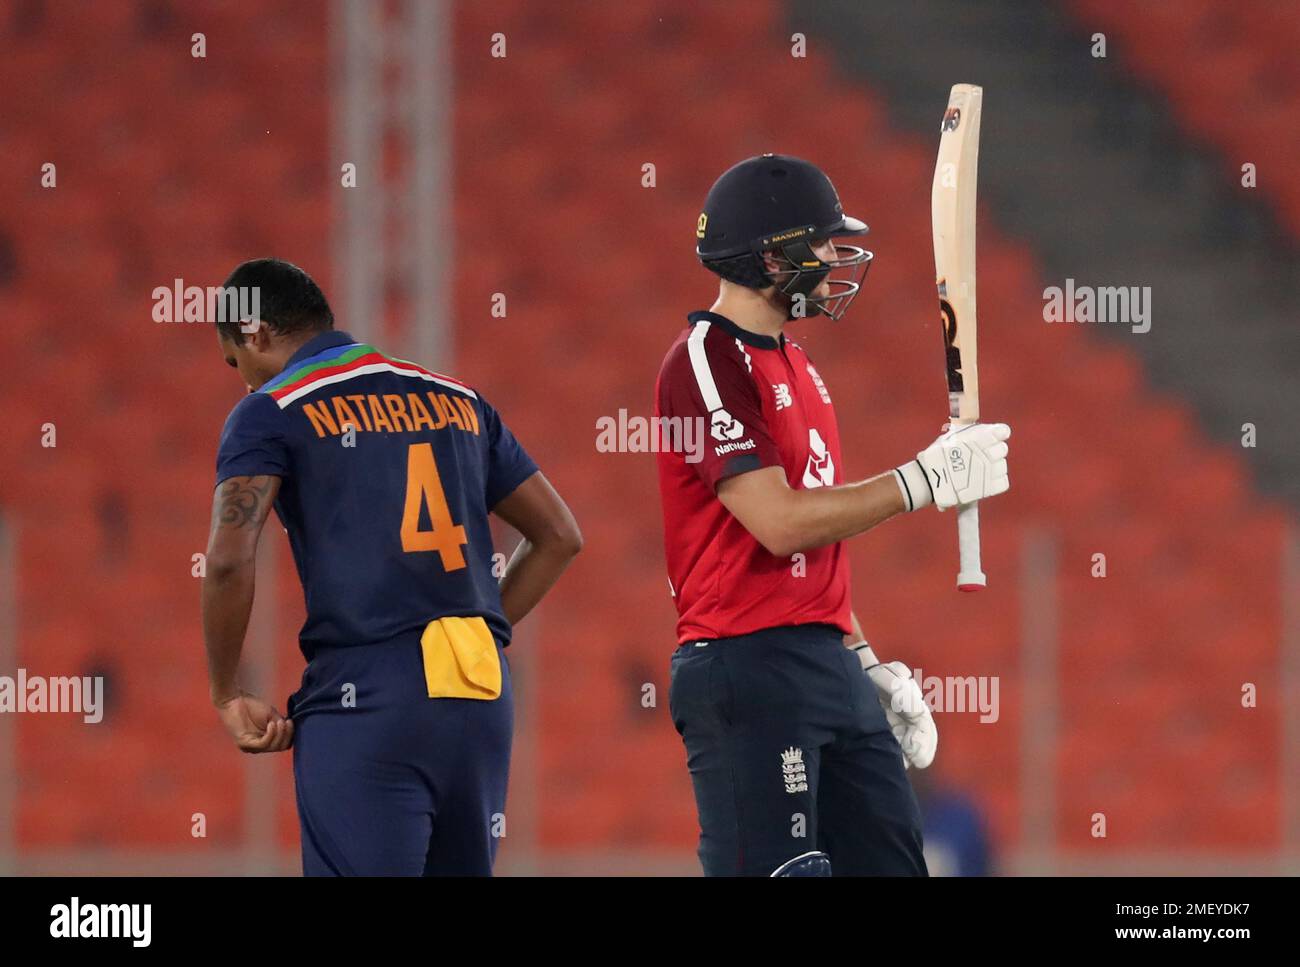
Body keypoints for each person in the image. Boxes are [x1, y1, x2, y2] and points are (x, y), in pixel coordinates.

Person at [655, 154, 1011, 876]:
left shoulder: (800, 364)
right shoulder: (707, 359)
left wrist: (865, 661)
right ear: (770, 254)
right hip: (744, 663)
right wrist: (921, 480)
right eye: (819, 243)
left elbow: (812, 554)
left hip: (824, 661)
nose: (832, 259)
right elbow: (779, 523)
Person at [201, 258, 581, 875]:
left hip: (366, 693)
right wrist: (476, 629)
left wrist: (225, 691)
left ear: (255, 333)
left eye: (233, 361)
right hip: (478, 692)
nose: (242, 381)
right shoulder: (458, 398)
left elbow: (225, 560)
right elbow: (560, 536)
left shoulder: (271, 410)